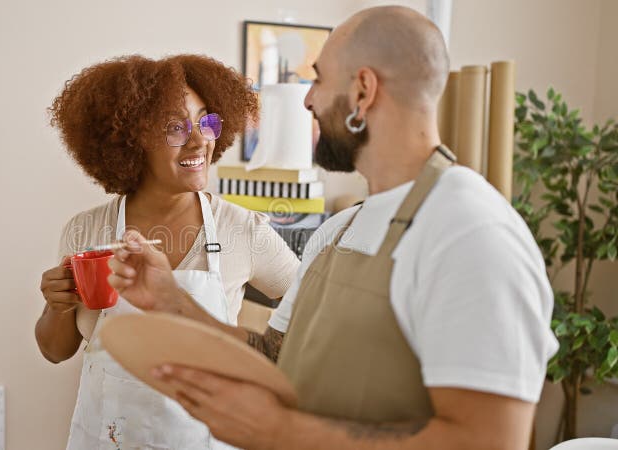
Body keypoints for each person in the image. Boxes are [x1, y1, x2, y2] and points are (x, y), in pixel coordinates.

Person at [106, 7, 559, 450]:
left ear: (362, 92)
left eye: (319, 79)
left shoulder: (470, 232)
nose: (307, 99)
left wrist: (279, 433)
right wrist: (172, 301)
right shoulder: (340, 229)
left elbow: (489, 441)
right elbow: (276, 357)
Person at [35, 54, 299, 449]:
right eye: (175, 127)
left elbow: (315, 310)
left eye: (206, 121)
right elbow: (56, 351)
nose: (199, 141)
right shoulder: (87, 231)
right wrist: (56, 306)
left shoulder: (240, 229)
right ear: (129, 138)